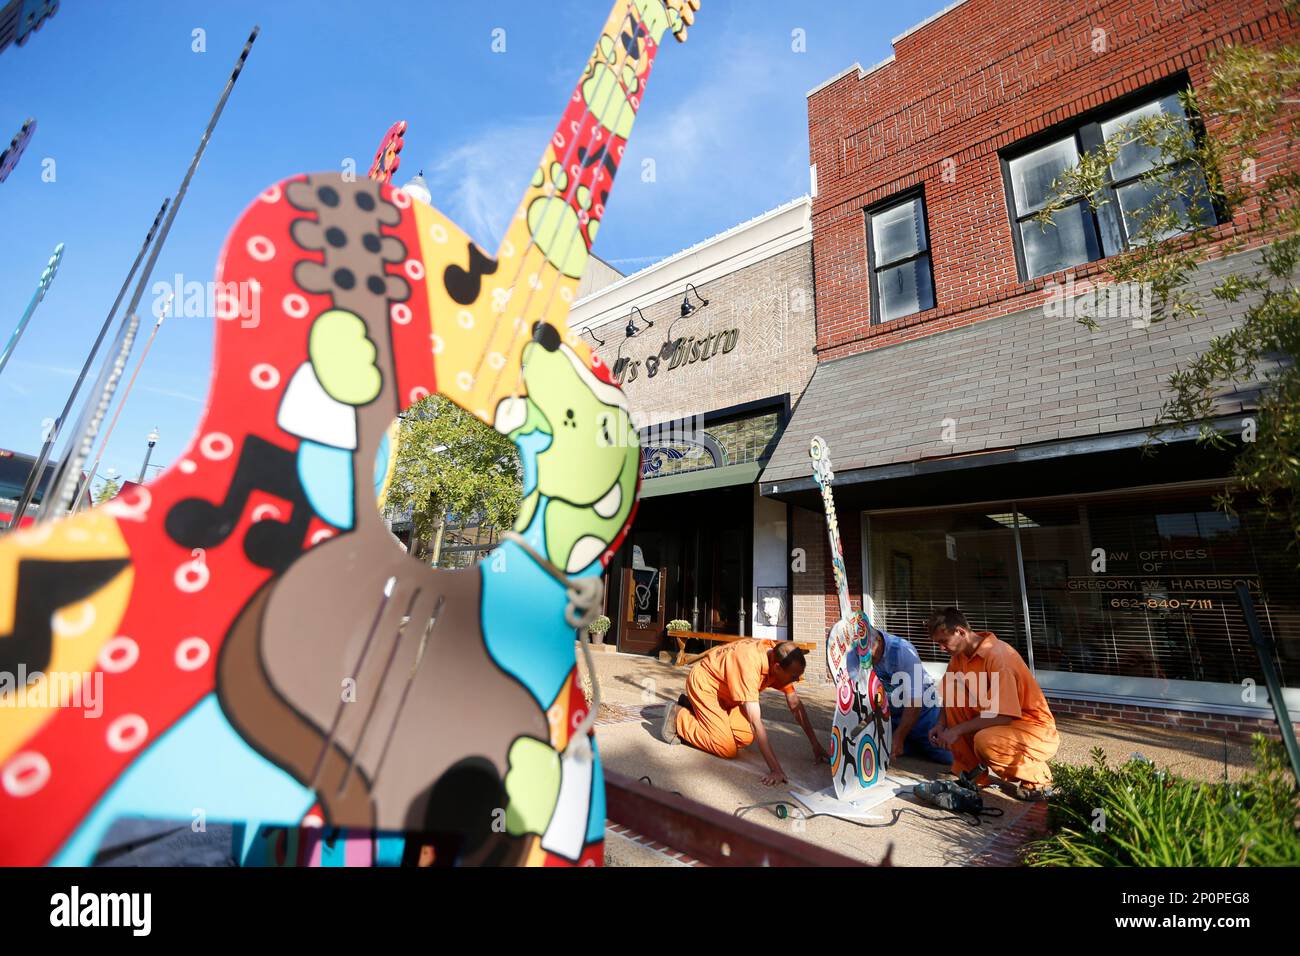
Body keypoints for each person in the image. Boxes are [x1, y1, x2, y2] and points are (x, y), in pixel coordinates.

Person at [924, 607, 1059, 800]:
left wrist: (956, 730)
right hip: (1001, 722)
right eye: (938, 643)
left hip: (1034, 730)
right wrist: (940, 724)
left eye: (943, 641)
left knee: (986, 742)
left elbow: (1003, 715)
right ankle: (969, 772)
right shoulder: (959, 657)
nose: (941, 648)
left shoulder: (999, 657)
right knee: (954, 694)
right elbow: (950, 698)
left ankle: (1038, 779)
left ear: (961, 632)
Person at [659, 639, 829, 786]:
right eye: (793, 677)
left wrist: (815, 744)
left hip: (729, 694)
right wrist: (776, 770)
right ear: (777, 668)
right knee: (725, 748)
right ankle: (678, 717)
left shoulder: (781, 654)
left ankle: (698, 714)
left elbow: (794, 704)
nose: (796, 680)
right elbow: (756, 722)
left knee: (745, 737)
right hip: (706, 686)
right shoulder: (750, 665)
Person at [865, 623, 951, 765]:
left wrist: (899, 736)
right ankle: (910, 741)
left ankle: (911, 739)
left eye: (872, 658)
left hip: (922, 711)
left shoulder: (903, 651)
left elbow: (915, 702)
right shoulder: (861, 652)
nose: (869, 662)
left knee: (947, 757)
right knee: (872, 748)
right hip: (891, 713)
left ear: (878, 641)